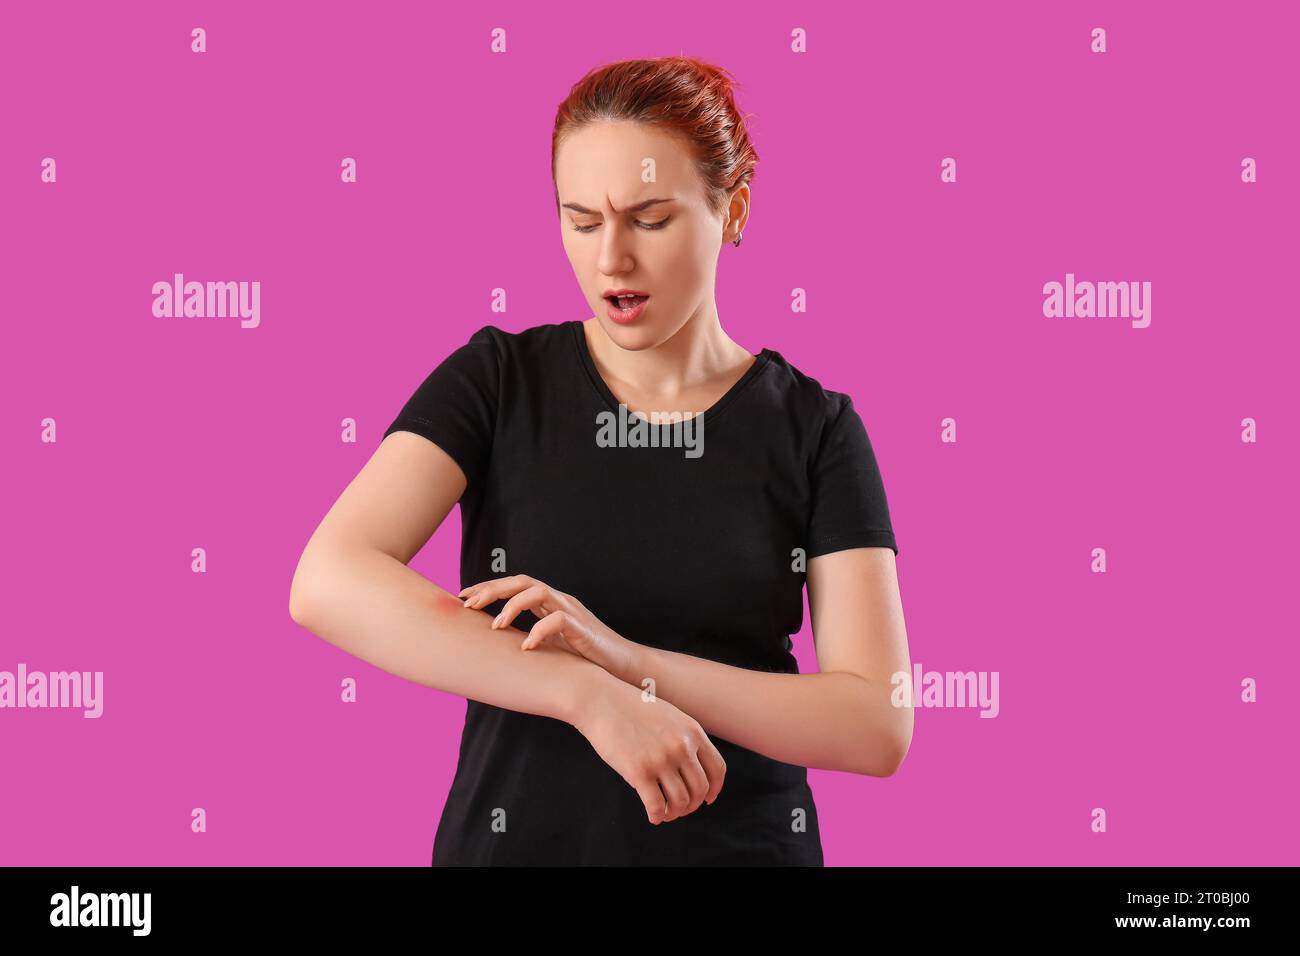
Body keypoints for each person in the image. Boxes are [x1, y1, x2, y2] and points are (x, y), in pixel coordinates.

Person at [289, 55, 912, 866]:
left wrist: (630, 664)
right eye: (581, 221)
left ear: (733, 212)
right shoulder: (499, 381)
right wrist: (587, 695)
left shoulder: (816, 428)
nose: (611, 258)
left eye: (649, 218)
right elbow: (329, 579)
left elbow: (876, 724)